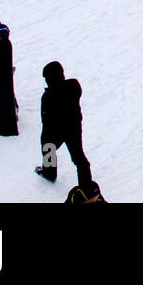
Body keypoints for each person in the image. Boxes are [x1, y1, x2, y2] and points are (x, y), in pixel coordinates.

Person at [35, 61, 92, 189]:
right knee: (79, 157)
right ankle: (87, 187)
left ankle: (49, 174)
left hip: (56, 130)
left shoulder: (48, 96)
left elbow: (46, 121)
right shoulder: (74, 86)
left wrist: (45, 138)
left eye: (47, 78)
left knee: (48, 146)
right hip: (74, 127)